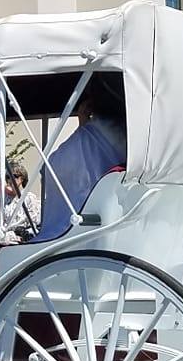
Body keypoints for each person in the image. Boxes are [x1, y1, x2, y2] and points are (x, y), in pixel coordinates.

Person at [35, 78, 128, 241]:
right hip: (109, 225)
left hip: (68, 230)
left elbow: (50, 170)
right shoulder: (114, 136)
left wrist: (83, 127)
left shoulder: (86, 139)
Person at [0, 164, 40, 245]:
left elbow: (33, 222)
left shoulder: (30, 198)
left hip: (25, 240)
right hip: (6, 241)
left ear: (22, 178)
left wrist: (15, 234)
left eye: (14, 176)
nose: (10, 179)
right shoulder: (4, 199)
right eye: (8, 177)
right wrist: (1, 236)